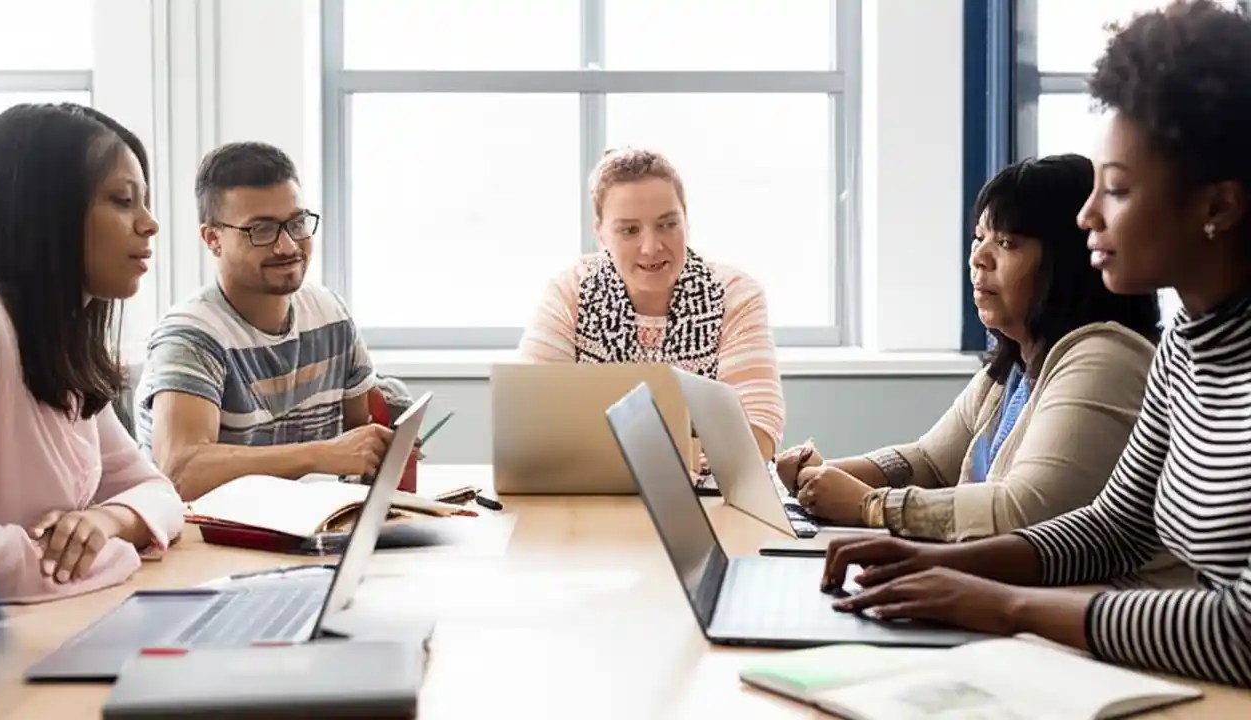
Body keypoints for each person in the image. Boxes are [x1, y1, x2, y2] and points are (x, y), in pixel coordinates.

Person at [822, 0, 1251, 688]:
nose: (1086, 215)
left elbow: (1242, 630)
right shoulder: (1185, 351)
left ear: (1219, 208)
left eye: (1116, 190)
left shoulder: (1126, 351)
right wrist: (936, 563)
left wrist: (1007, 605)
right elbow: (1115, 526)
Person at [776, 155, 1161, 541]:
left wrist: (871, 506)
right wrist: (825, 479)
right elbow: (928, 462)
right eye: (980, 238)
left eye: (1006, 242)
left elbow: (1023, 514)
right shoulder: (1014, 365)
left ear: (1067, 263)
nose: (978, 257)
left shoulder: (1105, 359)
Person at [0, 103, 185, 603]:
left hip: (49, 628)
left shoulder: (60, 343)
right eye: (122, 200)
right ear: (46, 210)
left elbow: (158, 493)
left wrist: (105, 521)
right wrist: (119, 554)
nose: (149, 224)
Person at [135, 142, 394, 501]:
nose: (288, 246)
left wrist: (387, 440)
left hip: (313, 529)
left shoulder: (330, 314)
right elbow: (181, 472)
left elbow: (362, 432)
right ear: (213, 239)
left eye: (297, 223)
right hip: (205, 543)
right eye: (261, 230)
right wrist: (320, 455)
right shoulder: (191, 338)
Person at [519, 147, 785, 460]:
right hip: (588, 497)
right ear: (601, 234)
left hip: (708, 498)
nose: (651, 246)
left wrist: (604, 449)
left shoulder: (734, 295)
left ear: (686, 219)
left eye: (667, 224)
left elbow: (759, 433)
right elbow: (532, 425)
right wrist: (694, 449)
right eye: (629, 230)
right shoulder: (569, 293)